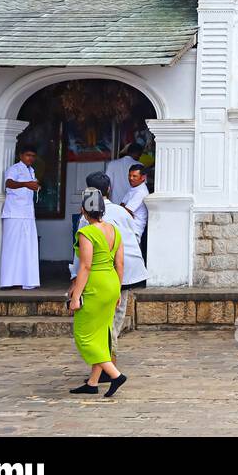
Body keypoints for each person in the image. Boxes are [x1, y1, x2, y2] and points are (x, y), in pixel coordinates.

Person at [77, 172, 148, 363]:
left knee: (102, 322)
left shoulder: (87, 218)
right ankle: (107, 362)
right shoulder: (121, 212)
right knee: (114, 319)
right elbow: (131, 240)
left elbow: (83, 259)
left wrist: (75, 285)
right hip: (126, 271)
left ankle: (107, 363)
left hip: (105, 274)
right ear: (109, 189)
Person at [68, 187, 128, 397]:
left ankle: (115, 374)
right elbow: (120, 264)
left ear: (84, 209)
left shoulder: (86, 232)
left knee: (84, 335)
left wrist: (76, 295)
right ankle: (93, 382)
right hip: (111, 283)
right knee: (102, 333)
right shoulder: (114, 230)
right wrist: (118, 289)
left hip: (95, 285)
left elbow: (85, 266)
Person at [0, 146, 41, 289]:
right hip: (14, 214)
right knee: (12, 247)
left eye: (33, 155)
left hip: (27, 214)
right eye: (28, 155)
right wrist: (25, 184)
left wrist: (34, 186)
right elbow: (8, 183)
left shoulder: (31, 170)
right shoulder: (14, 169)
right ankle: (8, 281)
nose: (31, 158)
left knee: (28, 248)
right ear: (21, 155)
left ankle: (27, 281)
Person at [121, 163, 150, 262]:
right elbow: (122, 207)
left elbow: (125, 210)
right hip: (128, 227)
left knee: (132, 260)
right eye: (129, 175)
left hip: (134, 230)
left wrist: (126, 210)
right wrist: (125, 210)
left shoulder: (141, 192)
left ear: (143, 178)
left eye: (134, 176)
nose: (131, 178)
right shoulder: (133, 188)